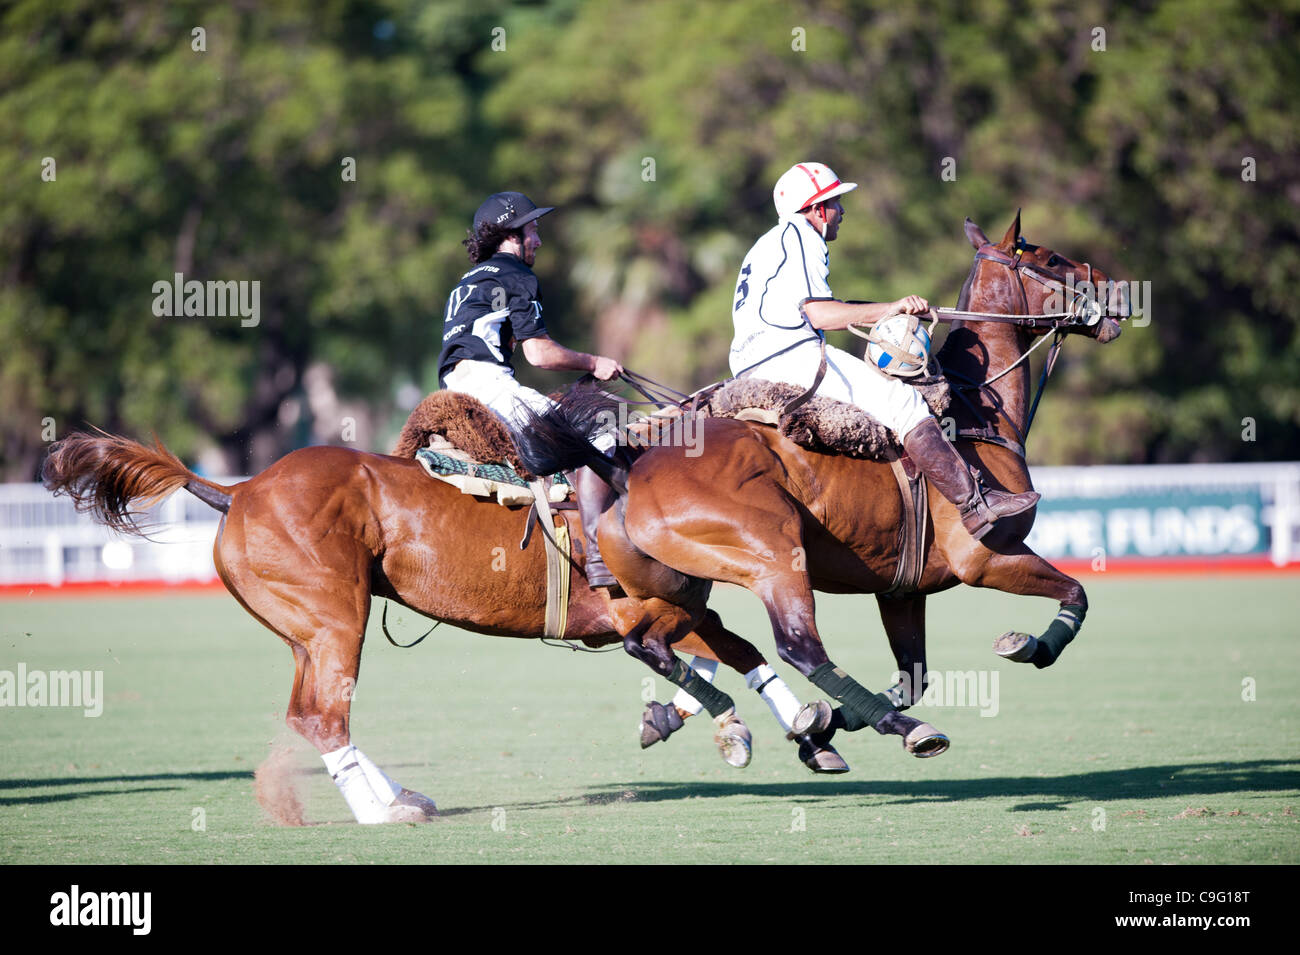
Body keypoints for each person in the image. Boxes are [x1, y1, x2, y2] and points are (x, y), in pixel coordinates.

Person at [728, 162, 1038, 541]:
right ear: (816, 209)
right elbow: (820, 313)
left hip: (746, 364)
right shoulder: (803, 238)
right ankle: (976, 506)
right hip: (789, 355)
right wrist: (891, 307)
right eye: (836, 203)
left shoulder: (766, 242)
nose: (842, 212)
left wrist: (892, 307)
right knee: (904, 402)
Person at [438, 191, 624, 585]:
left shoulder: (465, 281)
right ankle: (598, 558)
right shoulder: (516, 274)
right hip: (489, 386)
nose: (538, 239)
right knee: (603, 431)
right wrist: (595, 363)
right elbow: (538, 354)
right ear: (510, 235)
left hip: (452, 391)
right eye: (532, 230)